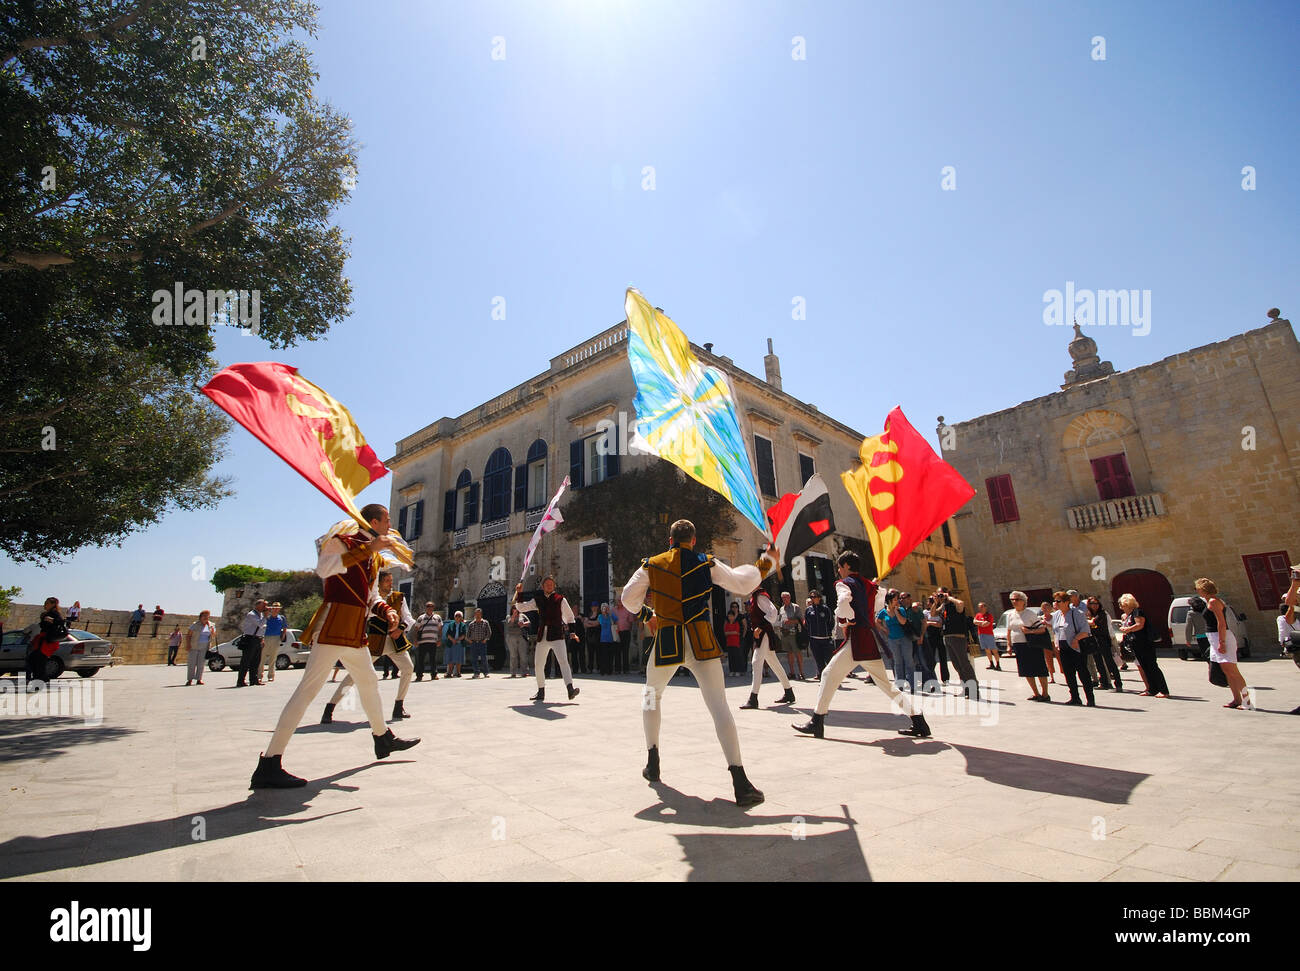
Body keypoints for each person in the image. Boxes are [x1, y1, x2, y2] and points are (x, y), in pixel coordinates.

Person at [250, 505, 419, 789]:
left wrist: (386, 611)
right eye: (387, 519)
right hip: (335, 624)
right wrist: (367, 550)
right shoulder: (342, 540)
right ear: (374, 521)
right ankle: (269, 762)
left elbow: (371, 595)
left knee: (368, 681)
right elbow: (325, 569)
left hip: (354, 630)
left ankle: (382, 738)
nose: (391, 524)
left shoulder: (373, 555)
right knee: (307, 691)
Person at [621, 519, 773, 808]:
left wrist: (647, 615)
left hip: (668, 640)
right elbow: (742, 584)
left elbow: (628, 598)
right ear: (693, 540)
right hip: (701, 639)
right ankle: (740, 783)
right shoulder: (706, 562)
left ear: (670, 540)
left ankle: (652, 762)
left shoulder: (651, 564)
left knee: (651, 698)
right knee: (719, 707)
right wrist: (766, 562)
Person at [794, 551, 932, 740]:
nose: (839, 571)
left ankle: (817, 722)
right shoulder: (870, 585)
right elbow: (876, 606)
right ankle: (918, 720)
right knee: (885, 685)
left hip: (857, 640)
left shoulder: (844, 584)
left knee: (827, 675)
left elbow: (843, 602)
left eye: (840, 567)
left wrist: (846, 620)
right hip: (867, 638)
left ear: (847, 567)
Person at [323, 573, 417, 722]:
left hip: (394, 642)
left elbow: (409, 618)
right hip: (376, 642)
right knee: (354, 674)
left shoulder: (399, 597)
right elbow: (365, 616)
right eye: (386, 581)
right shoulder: (371, 598)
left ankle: (399, 706)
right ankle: (330, 707)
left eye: (391, 581)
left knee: (408, 669)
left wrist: (401, 628)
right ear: (379, 583)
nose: (389, 583)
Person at [514, 576, 582, 703]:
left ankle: (570, 689)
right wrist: (519, 593)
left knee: (563, 661)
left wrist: (572, 632)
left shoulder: (560, 599)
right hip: (542, 636)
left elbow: (570, 617)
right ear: (543, 586)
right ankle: (540, 691)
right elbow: (521, 608)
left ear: (554, 586)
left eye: (551, 584)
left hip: (557, 634)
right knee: (539, 665)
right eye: (547, 584)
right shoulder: (538, 599)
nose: (549, 586)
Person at [1195, 578, 1252, 710]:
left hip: (1220, 636)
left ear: (1204, 589)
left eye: (1197, 588)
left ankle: (1247, 701)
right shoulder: (1209, 601)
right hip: (1214, 638)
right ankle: (1236, 699)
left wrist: (1222, 641)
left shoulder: (1214, 602)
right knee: (1227, 671)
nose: (1197, 590)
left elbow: (1221, 623)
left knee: (1233, 671)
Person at [738, 581, 795, 710]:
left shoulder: (760, 596)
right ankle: (789, 692)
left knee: (756, 662)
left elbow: (773, 612)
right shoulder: (755, 596)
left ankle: (753, 698)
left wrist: (760, 627)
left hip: (763, 633)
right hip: (762, 633)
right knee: (774, 662)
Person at [1117, 592, 1168, 698]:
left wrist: (1127, 629)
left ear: (1127, 604)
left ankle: (1163, 690)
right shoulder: (1129, 615)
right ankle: (1152, 689)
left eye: (1122, 605)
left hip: (1145, 643)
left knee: (1152, 666)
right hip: (1136, 644)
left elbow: (1140, 625)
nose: (1121, 607)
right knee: (1145, 667)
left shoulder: (1137, 612)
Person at [1051, 590, 1095, 706]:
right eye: (1055, 601)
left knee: (1083, 673)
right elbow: (1055, 631)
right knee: (1069, 674)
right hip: (1063, 647)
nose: (1056, 603)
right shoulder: (1056, 615)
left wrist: (1076, 639)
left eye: (1058, 601)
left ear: (1066, 602)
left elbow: (1086, 631)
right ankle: (1075, 697)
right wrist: (1056, 642)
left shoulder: (1077, 613)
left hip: (1076, 647)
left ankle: (1090, 699)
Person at [935, 587, 979, 699]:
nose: (941, 596)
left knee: (964, 663)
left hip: (958, 637)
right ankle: (966, 688)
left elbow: (961, 603)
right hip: (947, 637)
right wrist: (936, 602)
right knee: (957, 665)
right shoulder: (944, 607)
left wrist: (949, 597)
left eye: (942, 594)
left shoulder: (955, 604)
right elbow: (933, 613)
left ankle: (974, 689)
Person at [1006, 592, 1049, 701]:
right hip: (1018, 646)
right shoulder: (1010, 614)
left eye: (1017, 599)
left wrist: (1030, 631)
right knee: (1026, 670)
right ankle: (1036, 693)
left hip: (1032, 645)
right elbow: (1009, 630)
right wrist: (1009, 645)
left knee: (1039, 669)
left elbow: (1042, 629)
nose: (1014, 601)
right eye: (1012, 599)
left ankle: (1045, 694)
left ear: (1023, 601)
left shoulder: (1030, 614)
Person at [26, 597, 66, 684]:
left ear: (53, 604)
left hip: (47, 641)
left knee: (38, 659)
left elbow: (61, 622)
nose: (45, 605)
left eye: (47, 603)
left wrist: (52, 620)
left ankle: (40, 678)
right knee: (35, 659)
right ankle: (40, 677)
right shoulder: (48, 613)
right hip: (44, 639)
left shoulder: (54, 613)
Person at [1086, 596, 1122, 691]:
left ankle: (1118, 684)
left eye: (1096, 603)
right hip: (1094, 641)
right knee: (1098, 663)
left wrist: (1085, 620)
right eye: (1092, 604)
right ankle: (1104, 683)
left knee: (1109, 662)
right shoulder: (1090, 614)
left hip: (1103, 640)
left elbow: (1093, 623)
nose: (1094, 606)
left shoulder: (1102, 613)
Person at [234, 599, 267, 687]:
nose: (265, 607)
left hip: (258, 639)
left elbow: (262, 628)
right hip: (250, 639)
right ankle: (240, 680)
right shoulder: (252, 615)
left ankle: (254, 680)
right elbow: (260, 624)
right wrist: (265, 616)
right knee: (246, 661)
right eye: (263, 605)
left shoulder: (261, 615)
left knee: (256, 661)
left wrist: (262, 638)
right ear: (257, 605)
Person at [804, 588, 835, 681]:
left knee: (829, 660)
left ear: (819, 597)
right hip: (814, 639)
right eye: (811, 597)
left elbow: (831, 622)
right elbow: (807, 623)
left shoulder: (826, 609)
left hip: (825, 639)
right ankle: (822, 679)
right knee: (819, 661)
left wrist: (827, 632)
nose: (813, 599)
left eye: (814, 597)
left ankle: (832, 678)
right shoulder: (808, 610)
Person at [777, 591, 806, 681]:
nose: (784, 599)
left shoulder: (795, 607)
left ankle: (801, 673)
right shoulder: (781, 609)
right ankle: (792, 672)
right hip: (785, 633)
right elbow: (780, 620)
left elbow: (801, 620)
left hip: (794, 633)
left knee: (798, 653)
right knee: (789, 653)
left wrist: (791, 621)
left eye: (786, 597)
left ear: (790, 598)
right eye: (783, 598)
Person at [184, 610, 216, 686]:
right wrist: (188, 645)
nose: (206, 618)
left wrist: (211, 630)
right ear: (201, 617)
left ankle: (199, 679)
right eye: (204, 616)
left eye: (207, 616)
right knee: (192, 663)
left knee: (201, 663)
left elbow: (214, 635)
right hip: (194, 645)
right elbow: (188, 635)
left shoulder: (211, 625)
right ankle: (190, 679)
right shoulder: (195, 625)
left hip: (205, 646)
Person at [412, 602, 442, 681]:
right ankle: (419, 675)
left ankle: (434, 674)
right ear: (426, 608)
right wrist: (415, 640)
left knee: (433, 659)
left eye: (431, 606)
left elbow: (440, 629)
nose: (430, 608)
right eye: (428, 606)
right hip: (422, 642)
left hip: (433, 641)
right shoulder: (421, 618)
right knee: (421, 659)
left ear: (433, 607)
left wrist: (439, 639)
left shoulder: (437, 617)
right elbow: (416, 629)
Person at [262, 602, 287, 682]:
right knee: (262, 657)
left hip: (276, 638)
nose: (276, 610)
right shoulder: (267, 617)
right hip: (266, 637)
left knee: (273, 657)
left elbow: (284, 627)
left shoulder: (281, 618)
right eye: (274, 608)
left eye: (277, 608)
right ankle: (259, 674)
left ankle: (271, 675)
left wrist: (282, 635)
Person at [1039, 600, 1062, 684]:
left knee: (1060, 657)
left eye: (1047, 607)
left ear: (1050, 608)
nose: (1045, 609)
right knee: (1048, 659)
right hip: (1046, 641)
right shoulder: (1040, 618)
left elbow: (1058, 627)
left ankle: (1065, 674)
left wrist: (1047, 624)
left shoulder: (1055, 616)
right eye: (1043, 607)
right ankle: (1052, 677)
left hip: (1056, 640)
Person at [466, 607, 492, 678]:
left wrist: (485, 639)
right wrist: (470, 641)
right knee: (474, 658)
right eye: (476, 614)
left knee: (484, 658)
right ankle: (476, 673)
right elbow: (467, 635)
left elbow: (489, 632)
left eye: (479, 614)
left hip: (482, 643)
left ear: (481, 614)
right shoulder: (471, 624)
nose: (478, 615)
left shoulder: (485, 622)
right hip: (473, 643)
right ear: (474, 614)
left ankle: (486, 672)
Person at [974, 603, 1000, 671]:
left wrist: (979, 623)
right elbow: (974, 621)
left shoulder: (989, 616)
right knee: (987, 650)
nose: (980, 608)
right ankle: (991, 663)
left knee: (994, 650)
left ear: (985, 607)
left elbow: (986, 624)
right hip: (981, 634)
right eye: (979, 607)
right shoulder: (978, 615)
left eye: (982, 607)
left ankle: (998, 664)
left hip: (989, 635)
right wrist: (981, 622)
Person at [506, 607, 529, 678]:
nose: (516, 609)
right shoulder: (508, 616)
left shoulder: (522, 615)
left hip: (521, 636)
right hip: (512, 637)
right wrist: (514, 615)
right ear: (512, 610)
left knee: (523, 655)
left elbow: (529, 622)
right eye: (514, 608)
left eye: (517, 608)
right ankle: (513, 672)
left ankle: (524, 672)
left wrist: (523, 624)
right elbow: (509, 623)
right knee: (513, 655)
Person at [443, 611, 467, 678]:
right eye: (456, 616)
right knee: (450, 658)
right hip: (451, 643)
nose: (457, 617)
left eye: (459, 616)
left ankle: (458, 673)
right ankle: (449, 673)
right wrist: (452, 640)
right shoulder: (451, 624)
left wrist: (458, 640)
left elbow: (464, 634)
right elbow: (448, 634)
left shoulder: (463, 625)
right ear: (454, 617)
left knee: (458, 658)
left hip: (459, 643)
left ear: (461, 617)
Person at [614, 598, 634, 675]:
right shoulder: (613, 610)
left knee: (625, 651)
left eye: (620, 600)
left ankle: (626, 669)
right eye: (618, 600)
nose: (619, 602)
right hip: (617, 633)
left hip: (626, 632)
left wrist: (629, 630)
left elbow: (631, 621)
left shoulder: (627, 610)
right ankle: (617, 669)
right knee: (617, 651)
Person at [723, 605, 744, 675]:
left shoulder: (736, 623)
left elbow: (737, 632)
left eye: (732, 616)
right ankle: (731, 671)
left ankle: (737, 671)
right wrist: (732, 632)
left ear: (734, 616)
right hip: (729, 643)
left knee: (736, 657)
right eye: (729, 616)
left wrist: (730, 632)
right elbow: (725, 633)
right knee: (731, 658)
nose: (730, 617)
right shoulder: (727, 624)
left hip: (736, 643)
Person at [597, 603, 616, 674]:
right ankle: (603, 670)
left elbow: (616, 619)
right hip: (603, 639)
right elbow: (600, 622)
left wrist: (609, 613)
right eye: (603, 608)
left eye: (606, 608)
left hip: (610, 638)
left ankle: (609, 670)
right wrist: (604, 614)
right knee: (603, 656)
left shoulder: (610, 615)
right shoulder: (600, 616)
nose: (604, 609)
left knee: (610, 656)